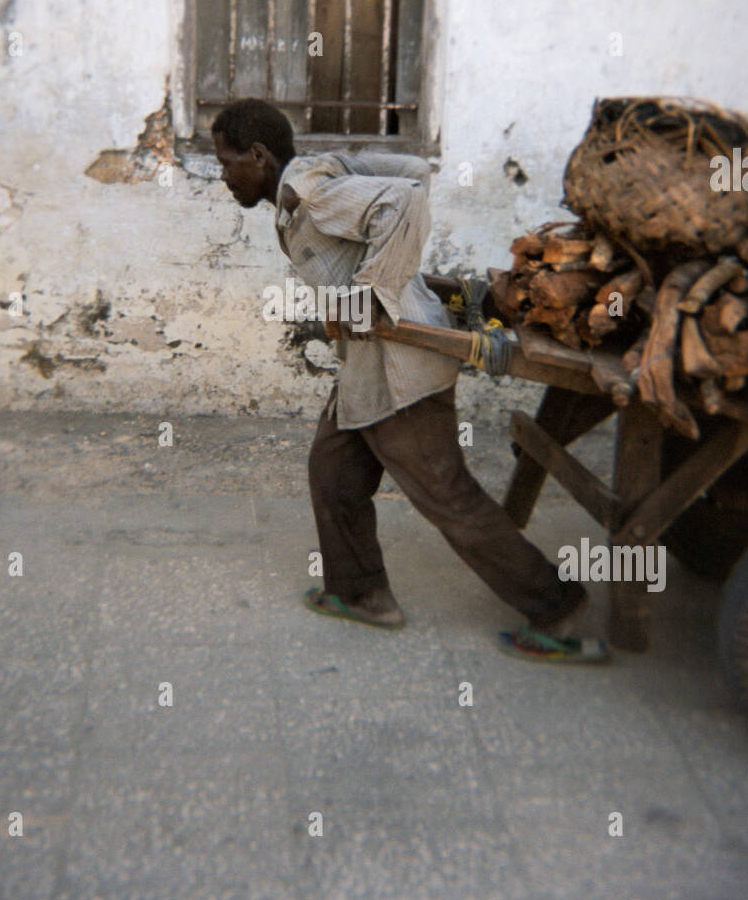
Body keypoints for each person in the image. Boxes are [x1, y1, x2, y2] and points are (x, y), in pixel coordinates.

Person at [210, 98, 607, 663]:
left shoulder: (309, 192)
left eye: (227, 162)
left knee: (449, 498)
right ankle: (362, 592)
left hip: (400, 370)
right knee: (333, 472)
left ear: (258, 155)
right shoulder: (312, 178)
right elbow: (415, 170)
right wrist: (349, 159)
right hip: (366, 370)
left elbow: (404, 199)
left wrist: (371, 293)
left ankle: (555, 605)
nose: (223, 176)